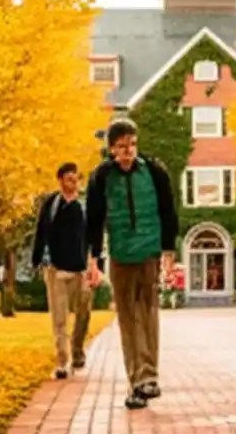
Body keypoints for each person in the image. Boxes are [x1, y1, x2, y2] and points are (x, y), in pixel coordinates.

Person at [85, 119, 179, 410]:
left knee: (148, 315)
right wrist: (94, 258)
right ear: (111, 149)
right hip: (122, 257)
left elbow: (168, 210)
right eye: (122, 146)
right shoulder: (101, 177)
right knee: (128, 320)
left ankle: (149, 377)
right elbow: (94, 220)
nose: (128, 151)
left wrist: (168, 250)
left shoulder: (154, 171)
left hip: (149, 253)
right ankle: (136, 382)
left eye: (132, 145)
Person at [31, 163, 93, 378]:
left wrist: (95, 264)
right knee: (59, 319)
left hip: (80, 270)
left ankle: (77, 350)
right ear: (60, 181)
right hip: (55, 269)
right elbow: (41, 231)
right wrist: (36, 260)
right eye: (69, 179)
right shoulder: (51, 203)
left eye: (76, 178)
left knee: (84, 312)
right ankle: (62, 361)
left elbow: (95, 236)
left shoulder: (85, 205)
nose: (74, 183)